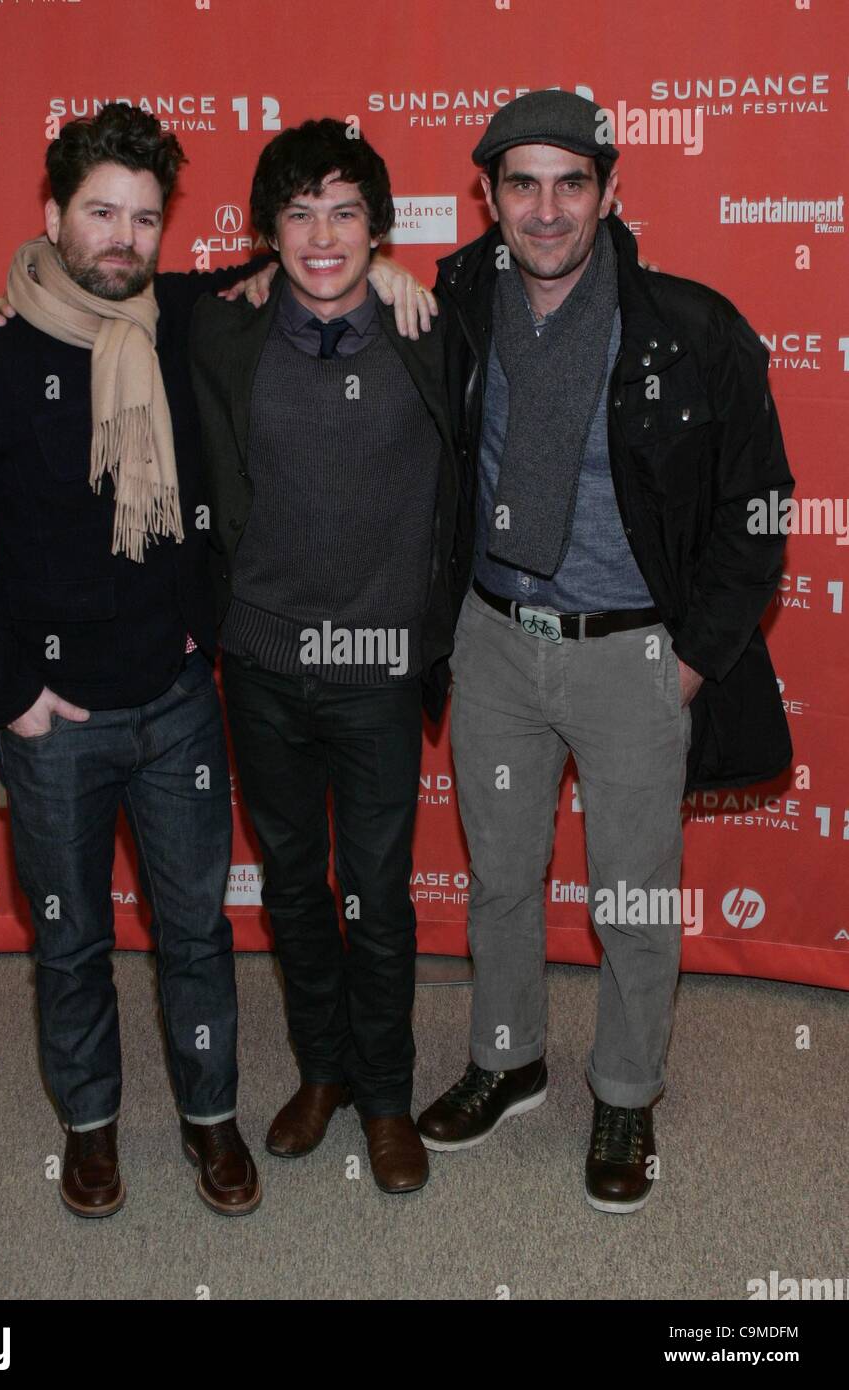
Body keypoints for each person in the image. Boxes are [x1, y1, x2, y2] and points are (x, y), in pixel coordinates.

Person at [417, 89, 794, 1212]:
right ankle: (507, 1057)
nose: (546, 208)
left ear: (610, 192)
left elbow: (760, 507)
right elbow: (291, 304)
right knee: (498, 880)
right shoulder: (452, 303)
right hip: (490, 641)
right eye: (520, 184)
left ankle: (626, 1089)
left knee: (631, 895)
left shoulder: (691, 327)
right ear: (486, 198)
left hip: (633, 654)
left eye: (570, 182)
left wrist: (693, 658)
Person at [0, 103, 273, 1219]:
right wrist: (10, 695)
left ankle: (211, 1116)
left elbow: (312, 260)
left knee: (196, 931)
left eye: (144, 218)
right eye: (101, 213)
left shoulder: (181, 321)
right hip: (53, 716)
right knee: (70, 943)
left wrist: (404, 282)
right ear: (53, 216)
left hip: (174, 701)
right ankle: (91, 1125)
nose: (122, 238)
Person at [190, 118, 459, 1194]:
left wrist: (396, 272)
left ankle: (387, 1096)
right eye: (298, 212)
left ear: (379, 228)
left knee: (377, 892)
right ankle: (323, 1072)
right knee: (296, 885)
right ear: (267, 230)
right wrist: (7, 298)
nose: (321, 235)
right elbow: (114, 281)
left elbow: (540, 265)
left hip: (383, 668)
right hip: (260, 661)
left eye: (346, 211)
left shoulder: (433, 329)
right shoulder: (223, 331)